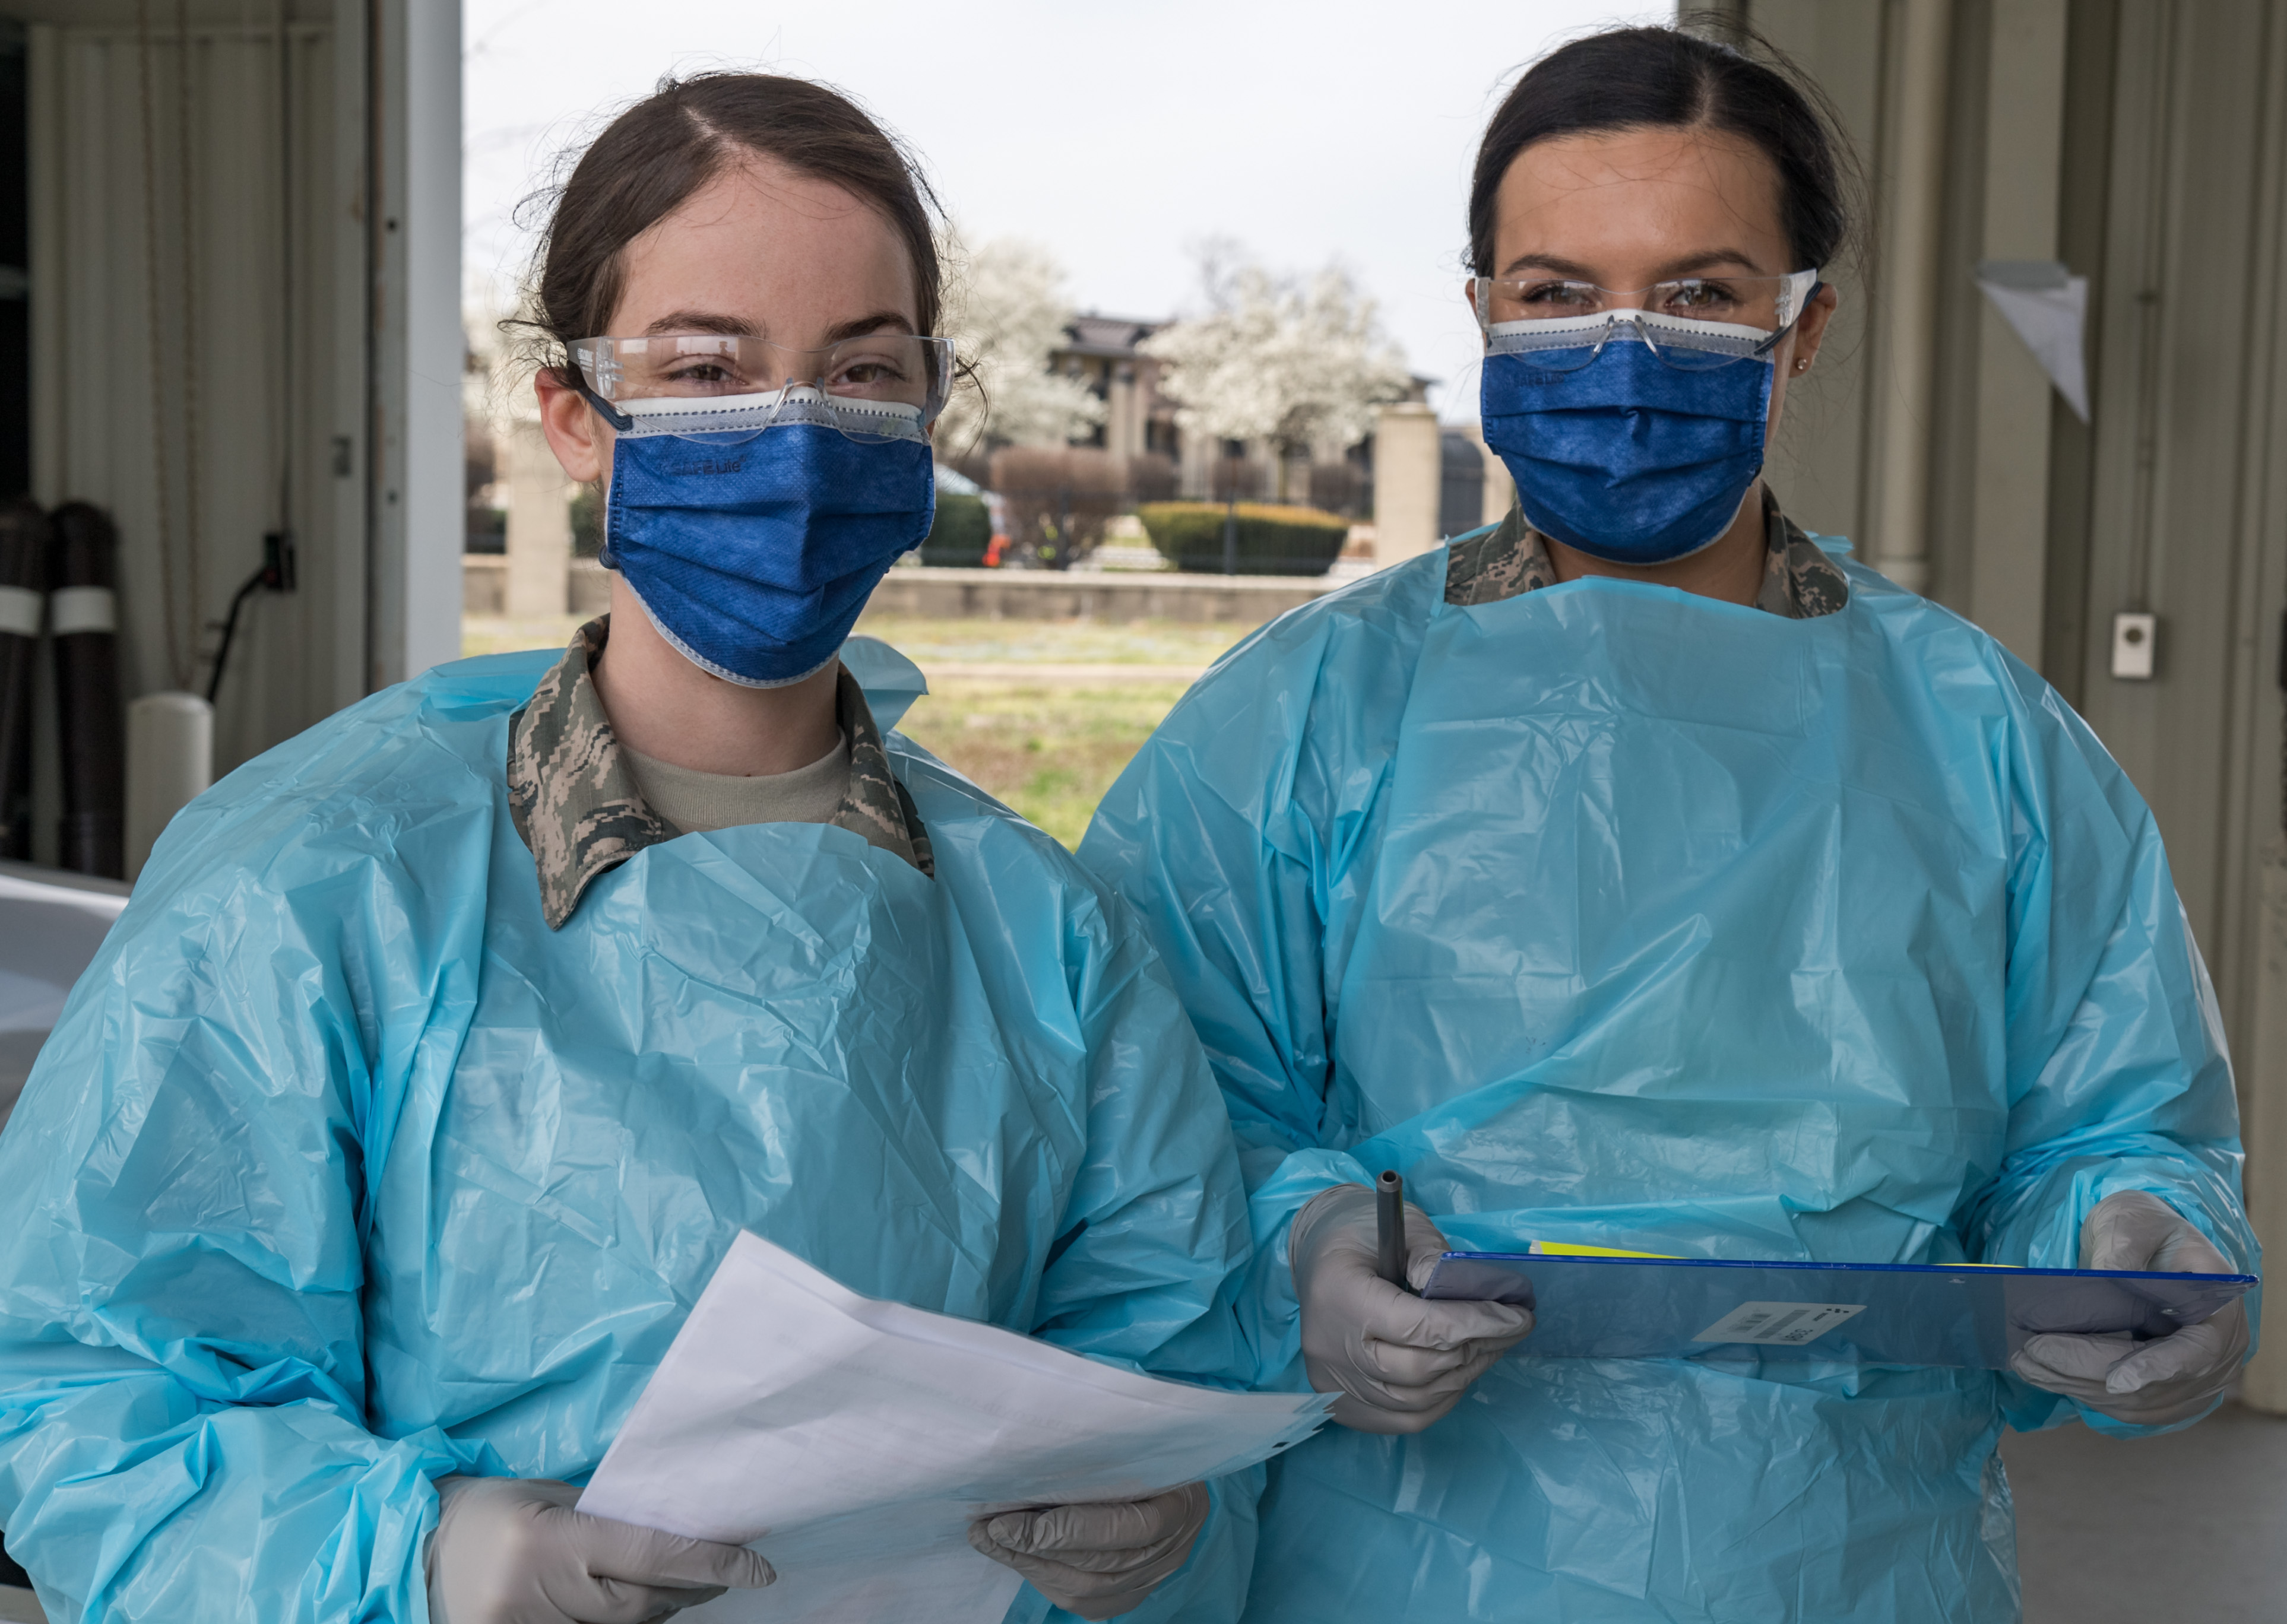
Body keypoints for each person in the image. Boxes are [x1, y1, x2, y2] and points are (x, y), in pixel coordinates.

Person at [0, 74, 1259, 1624]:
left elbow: (1177, 1357)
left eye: (858, 371)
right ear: (573, 417)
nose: (791, 443)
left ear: (929, 409)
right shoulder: (321, 881)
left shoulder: (1045, 933)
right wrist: (426, 1559)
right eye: (706, 369)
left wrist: (1169, 1522)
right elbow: (80, 1392)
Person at [1080, 24, 2259, 1623]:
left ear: (1800, 331)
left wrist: (2137, 1248)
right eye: (1557, 293)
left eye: (1699, 294)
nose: (1621, 354)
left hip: (1854, 1571)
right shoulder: (1300, 719)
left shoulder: (1977, 734)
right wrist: (1300, 1258)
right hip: (1396, 1568)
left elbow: (2115, 1123)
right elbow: (1153, 1116)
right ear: (1483, 312)